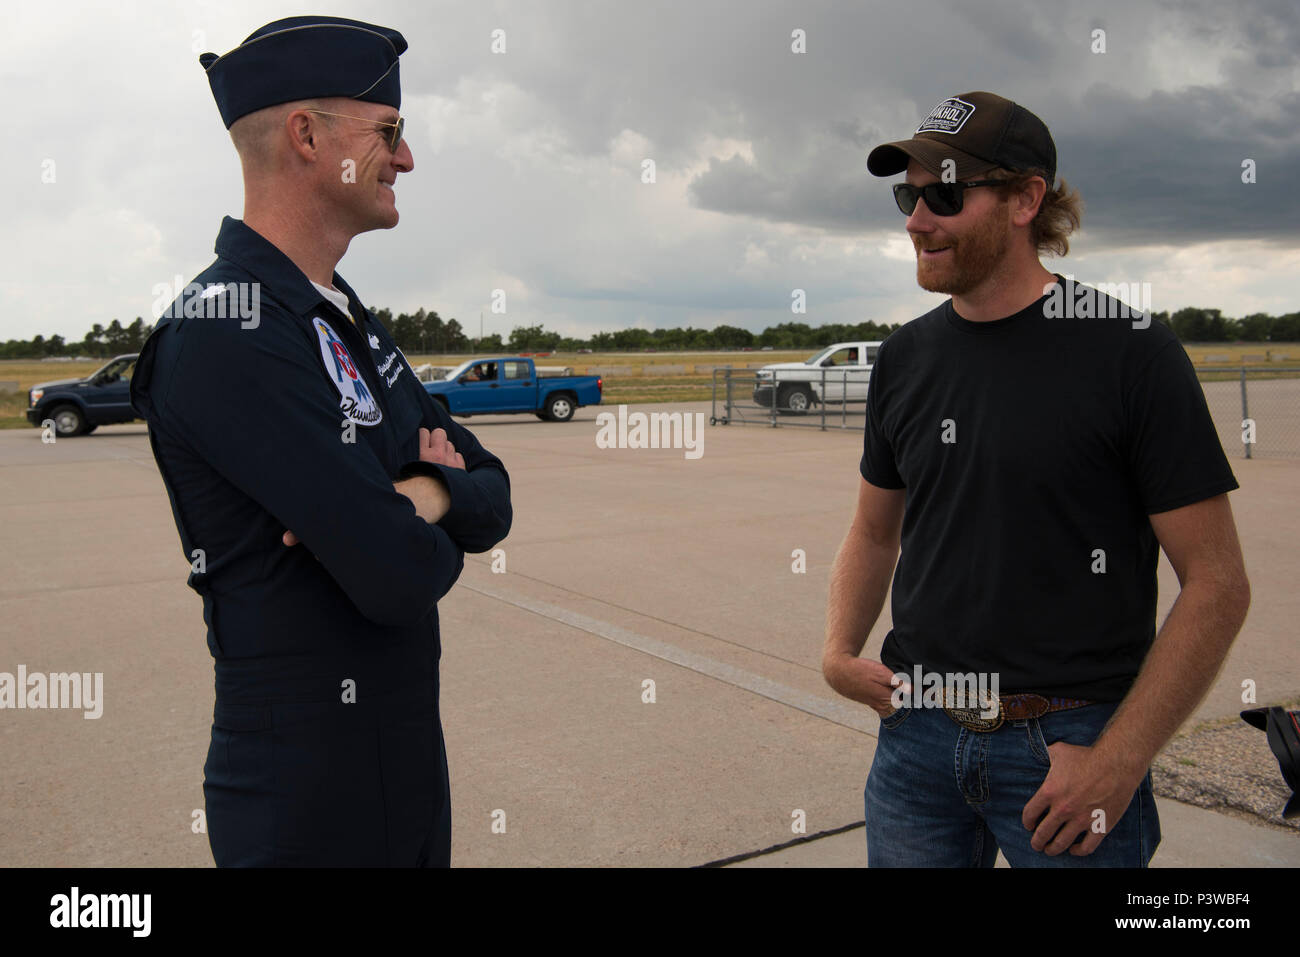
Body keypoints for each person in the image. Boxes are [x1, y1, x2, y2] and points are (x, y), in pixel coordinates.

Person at [821, 92, 1249, 867]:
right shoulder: (905, 360)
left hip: (1070, 750)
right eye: (907, 196)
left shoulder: (1131, 353)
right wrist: (839, 647)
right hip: (915, 743)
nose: (917, 220)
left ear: (1026, 200)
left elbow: (1218, 582)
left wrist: (1119, 759)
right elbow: (876, 528)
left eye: (944, 194)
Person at [130, 16, 512, 866]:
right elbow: (396, 575)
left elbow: (493, 493)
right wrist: (407, 509)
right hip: (305, 802)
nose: (407, 159)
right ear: (307, 136)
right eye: (389, 132)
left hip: (404, 769)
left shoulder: (340, 312)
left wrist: (426, 494)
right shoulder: (224, 330)